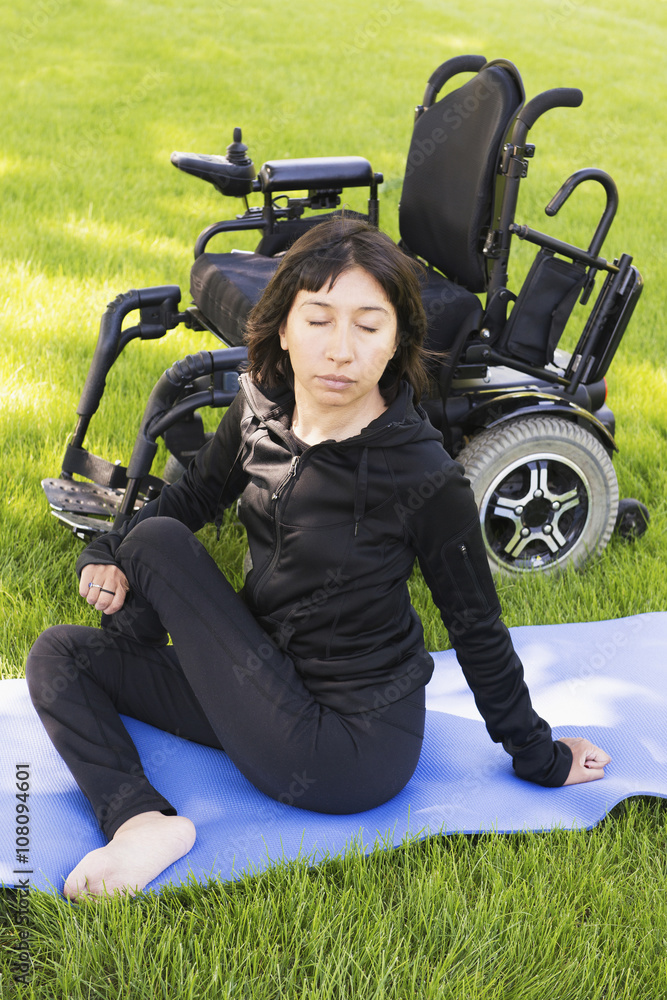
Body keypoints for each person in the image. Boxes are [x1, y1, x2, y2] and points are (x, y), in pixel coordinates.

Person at [26, 219, 610, 900]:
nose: (340, 351)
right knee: (60, 655)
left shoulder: (423, 474)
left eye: (367, 325)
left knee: (152, 546)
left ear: (396, 341)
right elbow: (189, 499)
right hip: (252, 681)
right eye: (318, 320)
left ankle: (161, 752)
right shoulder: (255, 409)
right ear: (281, 326)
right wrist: (105, 553)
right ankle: (141, 822)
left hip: (344, 748)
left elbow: (476, 627)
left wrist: (538, 756)